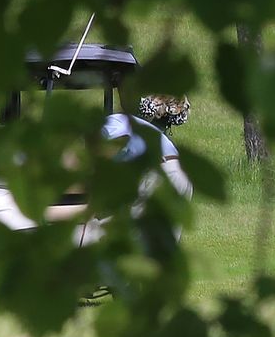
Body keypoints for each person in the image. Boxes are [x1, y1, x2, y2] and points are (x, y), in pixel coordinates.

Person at [76, 97, 193, 245]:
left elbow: (115, 143)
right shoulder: (128, 127)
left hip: (163, 174)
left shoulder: (112, 124)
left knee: (108, 233)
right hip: (178, 174)